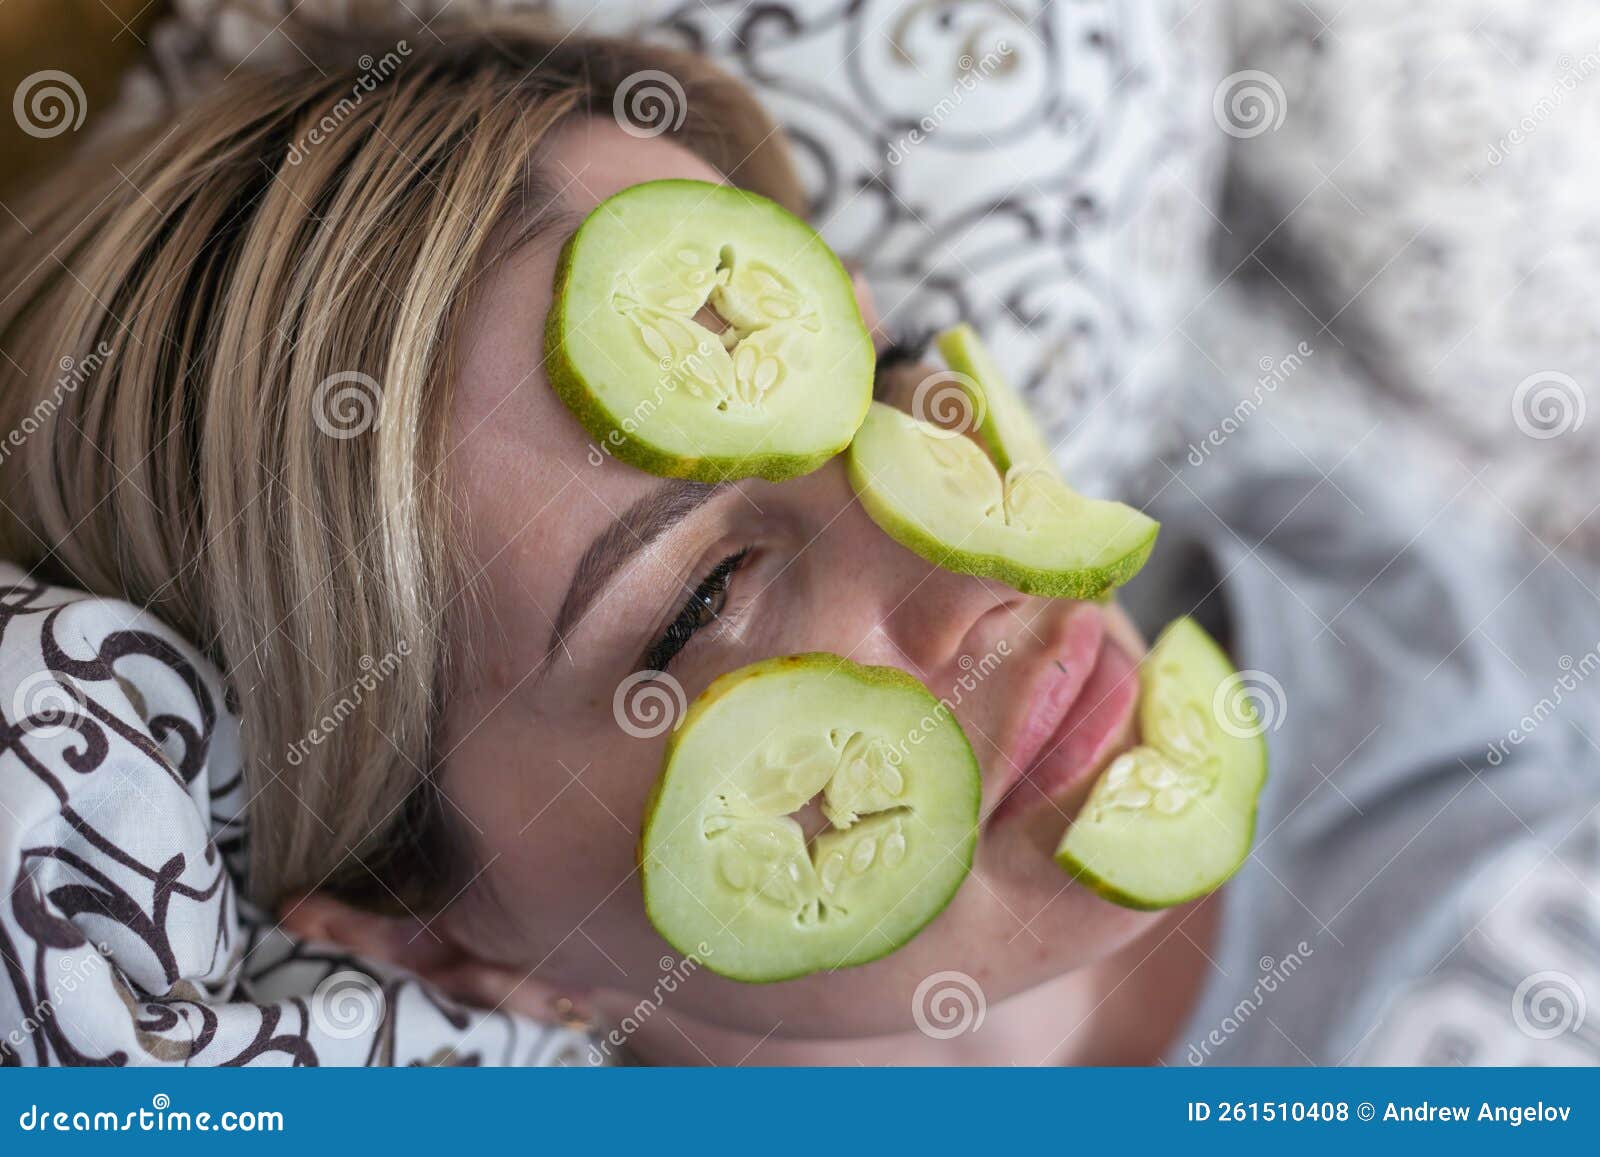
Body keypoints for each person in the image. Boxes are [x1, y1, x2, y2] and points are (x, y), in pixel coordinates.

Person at [0, 16, 1594, 1067]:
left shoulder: (1344, 574)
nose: (990, 577)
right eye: (706, 596)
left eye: (886, 382)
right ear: (433, 937)